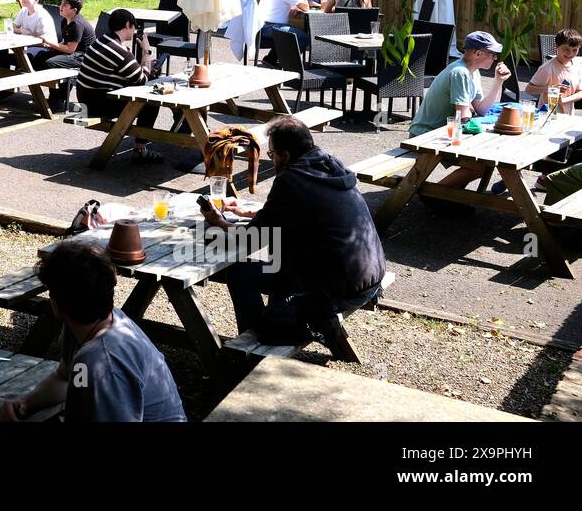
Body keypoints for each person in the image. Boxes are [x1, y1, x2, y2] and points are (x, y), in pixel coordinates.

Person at [202, 117, 387, 343]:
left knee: (240, 271)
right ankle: (273, 319)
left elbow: (251, 239)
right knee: (283, 253)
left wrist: (220, 222)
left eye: (272, 155)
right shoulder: (330, 165)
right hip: (370, 276)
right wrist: (248, 212)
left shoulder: (290, 179)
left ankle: (254, 340)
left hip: (340, 290)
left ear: (286, 155)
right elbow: (303, 210)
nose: (272, 160)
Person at [0, 242, 184, 422]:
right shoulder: (85, 327)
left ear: (57, 304)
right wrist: (25, 402)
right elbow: (66, 380)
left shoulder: (103, 363)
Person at [409, 31, 511, 190]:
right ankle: (433, 195)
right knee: (479, 166)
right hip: (426, 135)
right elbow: (463, 118)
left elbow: (482, 109)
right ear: (478, 53)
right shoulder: (460, 73)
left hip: (445, 132)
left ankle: (449, 197)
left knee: (483, 162)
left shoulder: (473, 71)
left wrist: (498, 82)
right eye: (492, 54)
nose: (495, 58)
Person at [75, 8, 163, 163]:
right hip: (95, 105)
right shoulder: (118, 50)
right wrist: (146, 52)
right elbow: (141, 80)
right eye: (134, 27)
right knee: (150, 102)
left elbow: (127, 72)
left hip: (85, 99)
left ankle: (139, 147)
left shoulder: (101, 41)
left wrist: (144, 66)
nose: (135, 31)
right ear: (128, 24)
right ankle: (140, 150)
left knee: (143, 89)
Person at [33, 0, 96, 111]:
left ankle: (58, 98)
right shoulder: (64, 21)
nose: (60, 7)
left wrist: (50, 42)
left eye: (65, 5)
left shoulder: (77, 24)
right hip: (72, 53)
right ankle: (54, 96)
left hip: (83, 57)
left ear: (74, 10)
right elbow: (65, 43)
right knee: (39, 57)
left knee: (50, 63)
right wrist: (51, 46)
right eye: (61, 4)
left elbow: (70, 49)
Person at [0, 0, 58, 82]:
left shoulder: (42, 16)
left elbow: (45, 41)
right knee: (1, 50)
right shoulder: (24, 11)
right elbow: (13, 27)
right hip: (27, 44)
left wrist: (27, 38)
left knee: (22, 56)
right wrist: (21, 31)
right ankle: (3, 80)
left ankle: (14, 83)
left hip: (44, 48)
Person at [524, 28, 582, 109]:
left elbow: (580, 92)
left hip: (567, 115)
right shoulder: (547, 68)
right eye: (566, 49)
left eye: (575, 50)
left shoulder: (577, 66)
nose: (570, 53)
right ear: (557, 47)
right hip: (547, 114)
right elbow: (529, 89)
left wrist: (564, 100)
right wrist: (552, 88)